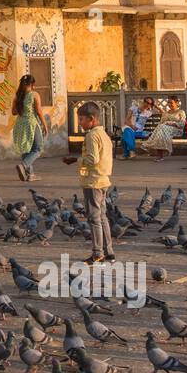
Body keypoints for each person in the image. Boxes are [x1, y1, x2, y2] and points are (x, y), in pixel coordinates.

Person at [72, 101, 115, 264]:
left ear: (91, 119)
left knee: (94, 218)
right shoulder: (104, 134)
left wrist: (76, 160)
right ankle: (108, 251)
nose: (80, 123)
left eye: (82, 120)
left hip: (93, 182)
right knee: (102, 216)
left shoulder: (91, 136)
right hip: (103, 180)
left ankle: (98, 253)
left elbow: (92, 159)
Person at [11, 74, 48, 182]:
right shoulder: (34, 95)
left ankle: (30, 174)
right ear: (32, 85)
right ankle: (23, 165)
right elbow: (39, 111)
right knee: (38, 148)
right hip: (31, 123)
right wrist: (45, 125)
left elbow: (13, 112)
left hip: (19, 124)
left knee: (26, 148)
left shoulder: (18, 96)